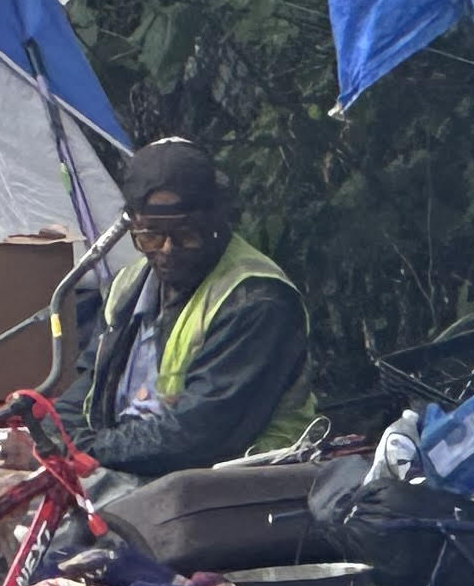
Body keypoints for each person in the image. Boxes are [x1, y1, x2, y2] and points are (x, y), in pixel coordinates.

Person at [72, 139, 306, 479]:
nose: (167, 250)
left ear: (216, 223)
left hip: (229, 479)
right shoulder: (127, 285)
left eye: (186, 235)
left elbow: (199, 433)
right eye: (150, 237)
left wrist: (86, 451)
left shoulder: (256, 298)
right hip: (131, 464)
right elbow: (85, 388)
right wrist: (56, 441)